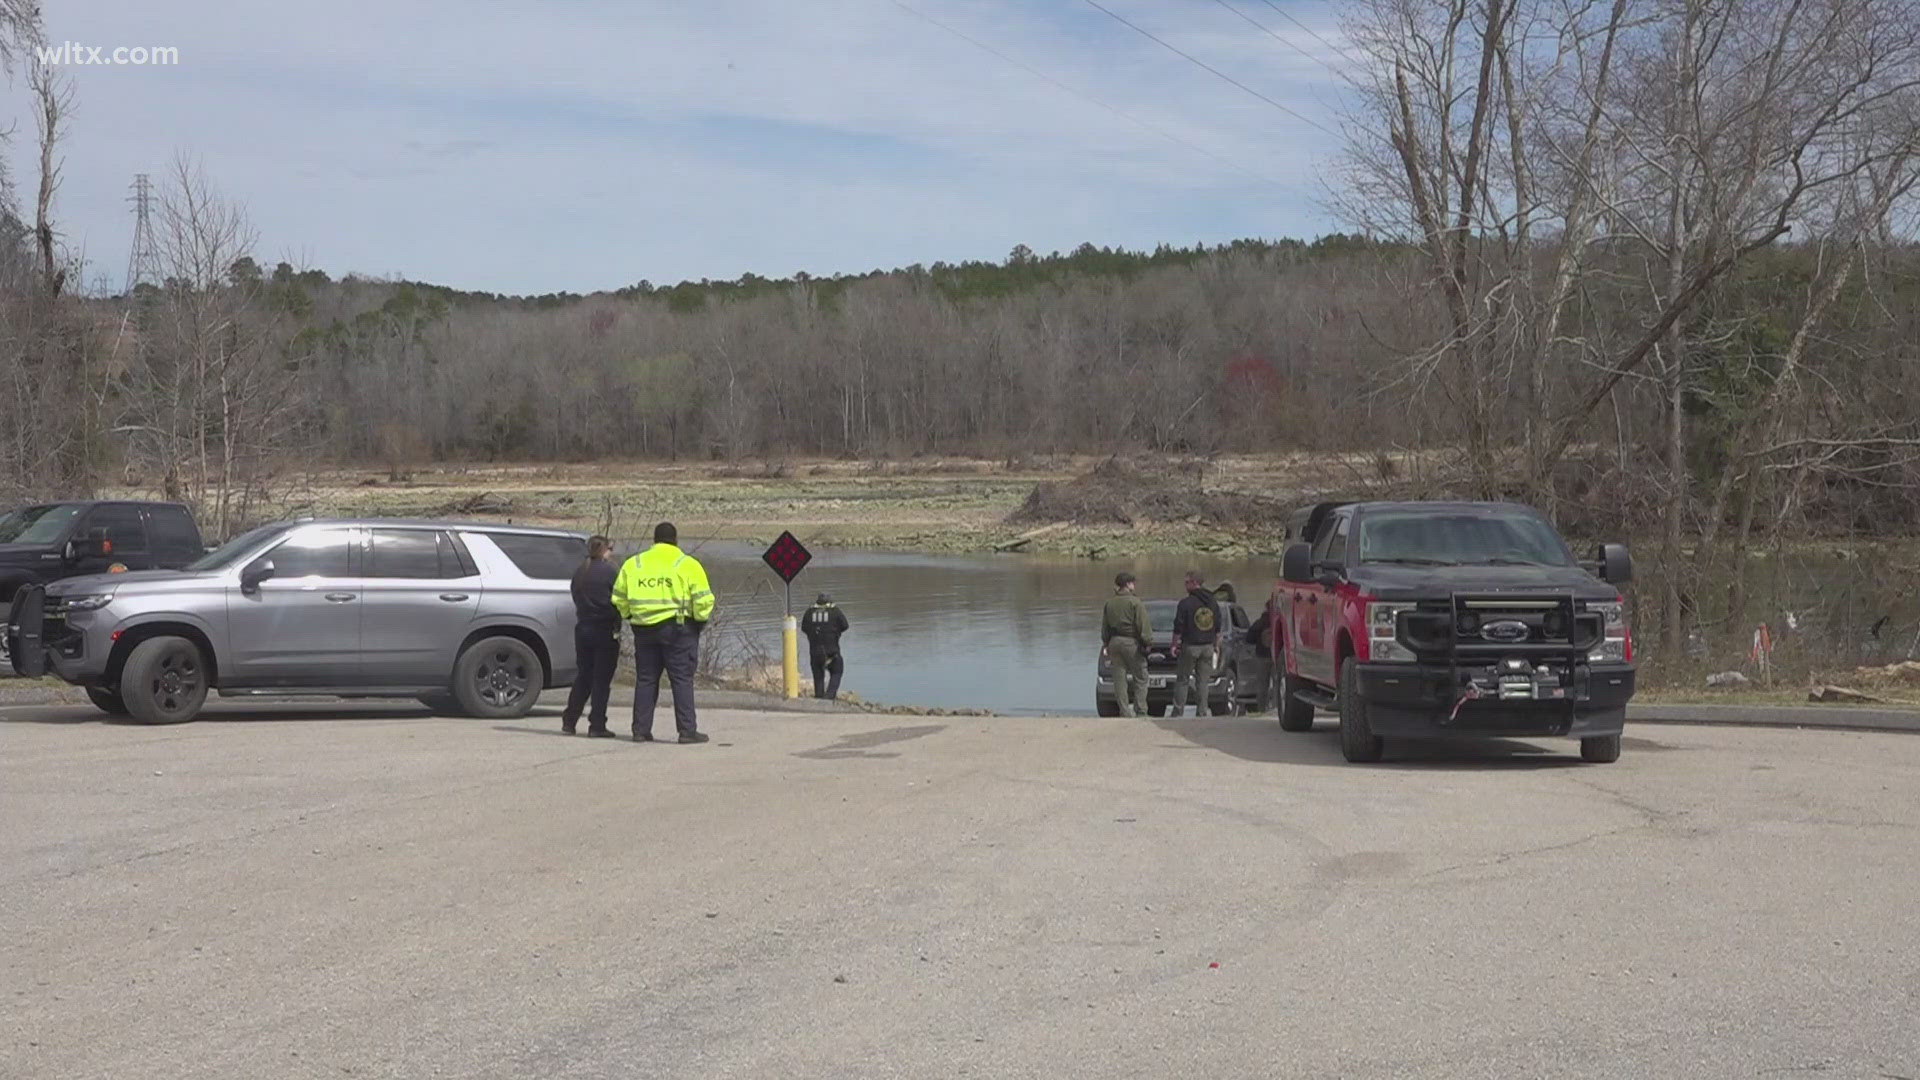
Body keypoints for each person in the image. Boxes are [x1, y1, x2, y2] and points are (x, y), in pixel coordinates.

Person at [613, 522, 715, 744]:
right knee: (681, 680)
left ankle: (640, 730)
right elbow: (703, 600)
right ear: (675, 540)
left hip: (643, 629)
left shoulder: (634, 564)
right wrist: (699, 621)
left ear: (655, 540)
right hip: (679, 629)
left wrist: (630, 616)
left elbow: (619, 597)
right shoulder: (687, 564)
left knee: (646, 679)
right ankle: (687, 731)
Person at [560, 535, 620, 737]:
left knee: (584, 676)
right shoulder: (611, 571)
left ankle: (570, 720)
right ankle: (597, 724)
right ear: (605, 549)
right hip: (604, 630)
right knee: (601, 680)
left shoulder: (580, 571)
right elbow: (620, 599)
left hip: (583, 628)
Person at [1170, 570, 1222, 717]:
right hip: (1208, 646)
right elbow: (1218, 626)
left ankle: (1178, 711)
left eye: (1187, 582)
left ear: (1194, 583)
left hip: (1190, 646)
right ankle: (1202, 712)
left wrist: (1174, 645)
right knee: (1203, 681)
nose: (1185, 585)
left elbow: (1178, 627)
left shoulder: (1186, 603)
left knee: (1183, 679)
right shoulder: (1212, 602)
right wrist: (1216, 646)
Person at [1100, 571, 1151, 718]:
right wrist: (1147, 641)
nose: (1134, 585)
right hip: (1131, 642)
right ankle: (1140, 710)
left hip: (1114, 642)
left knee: (1119, 678)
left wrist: (1106, 643)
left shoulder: (1109, 603)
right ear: (1128, 584)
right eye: (1132, 582)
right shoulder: (1135, 602)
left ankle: (1124, 711)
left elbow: (1105, 627)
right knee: (1140, 676)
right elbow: (1143, 624)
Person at [801, 592, 850, 700]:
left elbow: (804, 628)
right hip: (832, 652)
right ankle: (829, 697)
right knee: (837, 671)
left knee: (818, 677)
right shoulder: (835, 611)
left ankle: (819, 697)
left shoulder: (809, 612)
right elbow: (845, 625)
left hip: (815, 652)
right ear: (829, 601)